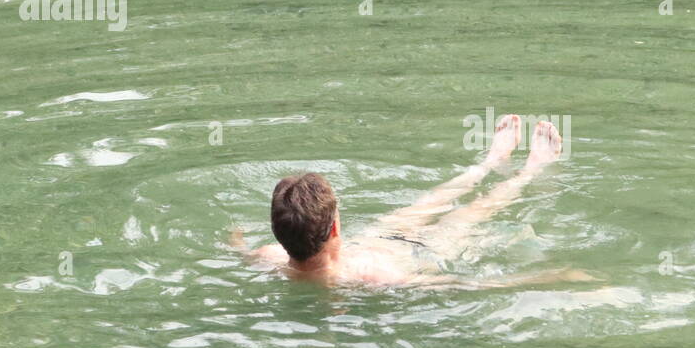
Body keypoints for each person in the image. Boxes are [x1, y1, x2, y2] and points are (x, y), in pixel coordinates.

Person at [236, 116, 589, 288]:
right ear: (334, 225)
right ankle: (530, 170)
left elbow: (238, 251)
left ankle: (489, 164)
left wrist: (234, 239)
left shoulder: (270, 257)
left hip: (376, 240)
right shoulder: (375, 277)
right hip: (421, 250)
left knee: (430, 202)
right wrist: (553, 275)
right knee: (472, 211)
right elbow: (468, 285)